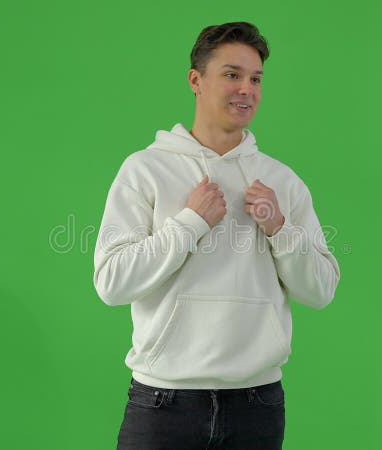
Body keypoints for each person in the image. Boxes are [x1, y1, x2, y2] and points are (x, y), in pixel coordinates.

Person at [93, 21, 342, 450]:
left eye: (256, 79)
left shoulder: (282, 182)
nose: (247, 89)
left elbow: (321, 290)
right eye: (232, 74)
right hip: (164, 403)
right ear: (196, 80)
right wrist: (190, 222)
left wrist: (280, 229)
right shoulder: (145, 170)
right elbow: (112, 283)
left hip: (257, 405)